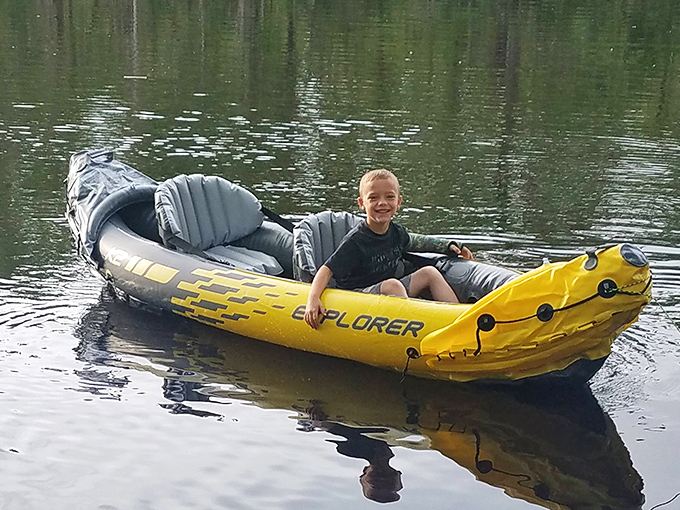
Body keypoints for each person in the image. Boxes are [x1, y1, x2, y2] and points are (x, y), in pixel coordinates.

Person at [304, 169, 473, 329]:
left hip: (390, 292)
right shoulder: (356, 241)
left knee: (429, 272)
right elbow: (326, 270)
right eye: (373, 198)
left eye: (389, 197)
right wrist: (312, 299)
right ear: (362, 203)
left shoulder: (396, 232)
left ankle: (459, 321)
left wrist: (449, 246)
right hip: (357, 297)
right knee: (393, 285)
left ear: (398, 202)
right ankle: (416, 325)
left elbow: (417, 242)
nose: (382, 203)